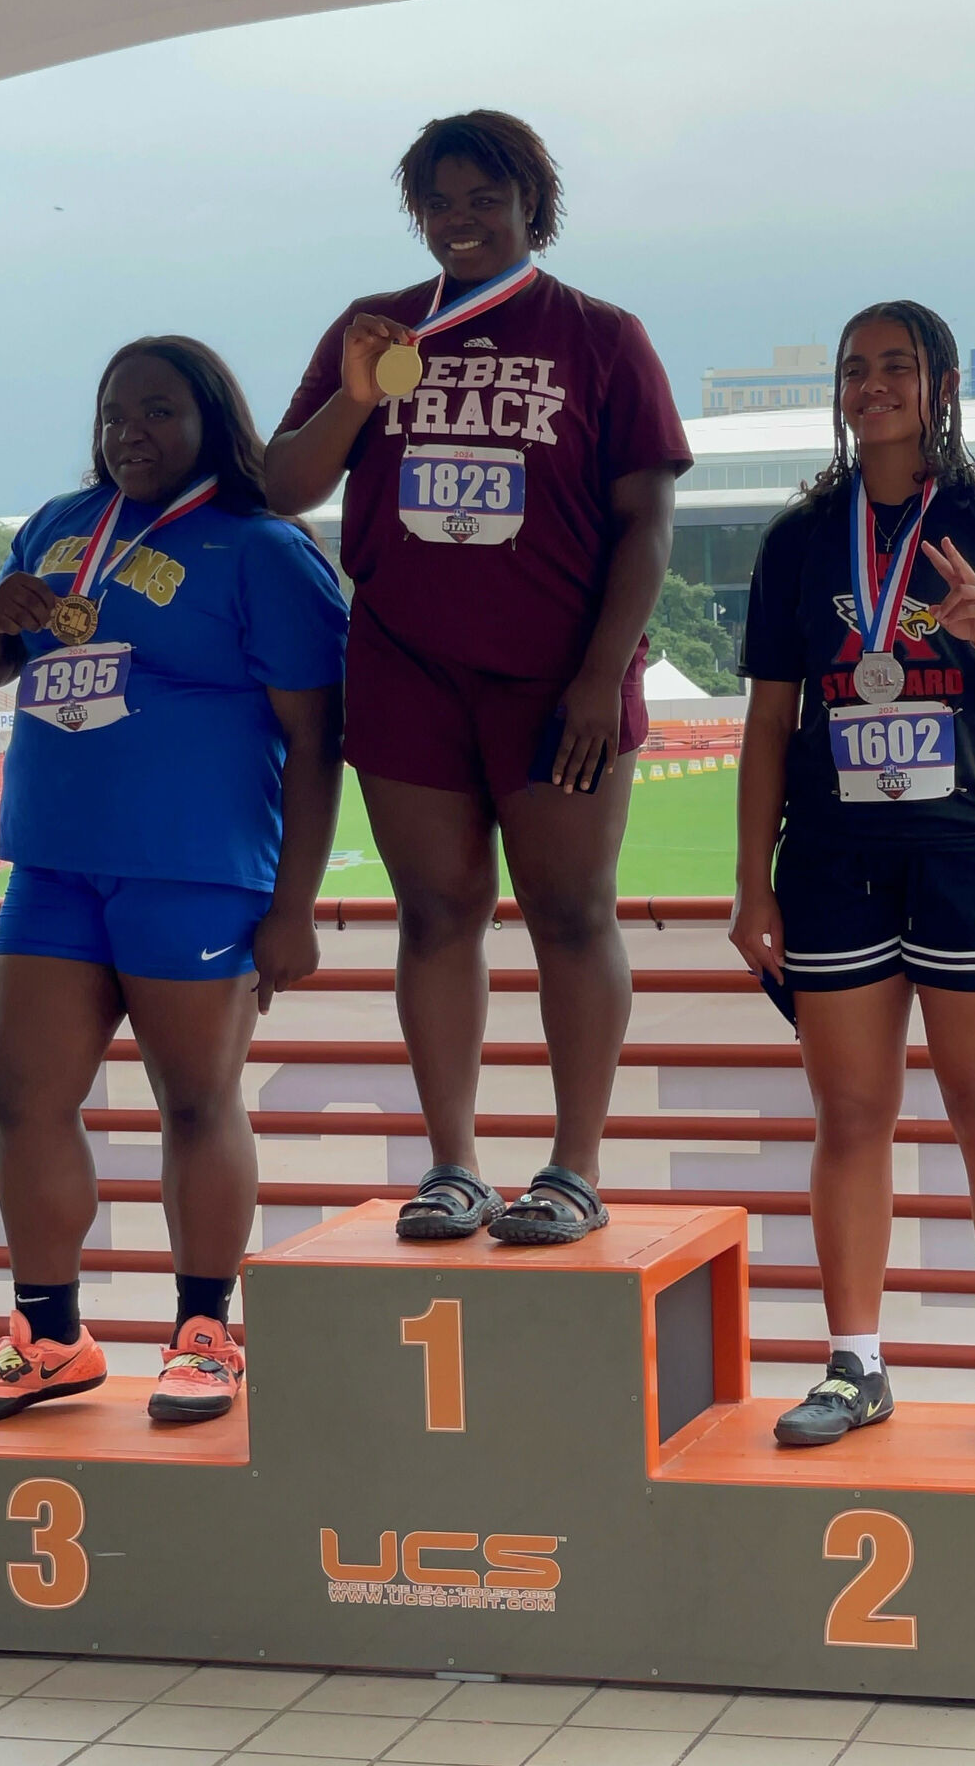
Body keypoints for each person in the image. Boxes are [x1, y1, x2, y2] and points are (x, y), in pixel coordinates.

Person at [266, 110, 690, 1244]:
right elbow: (281, 483)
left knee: (567, 909)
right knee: (437, 912)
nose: (461, 220)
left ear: (529, 207)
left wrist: (603, 672)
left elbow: (647, 518)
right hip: (406, 667)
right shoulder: (374, 328)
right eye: (438, 201)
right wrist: (356, 393)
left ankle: (574, 1166)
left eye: (483, 198)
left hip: (558, 679)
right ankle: (452, 1165)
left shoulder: (602, 335)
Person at [0, 338, 348, 1427]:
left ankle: (205, 1330)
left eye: (159, 411)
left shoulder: (264, 550)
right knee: (22, 1091)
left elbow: (316, 739)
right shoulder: (62, 526)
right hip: (56, 862)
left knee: (196, 1099)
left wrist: (293, 905)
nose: (131, 434)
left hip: (196, 870)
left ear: (213, 421)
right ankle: (48, 1334)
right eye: (116, 413)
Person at [731, 300, 975, 1451]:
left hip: (971, 848)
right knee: (852, 1115)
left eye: (895, 365)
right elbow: (770, 721)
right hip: (831, 861)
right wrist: (750, 883)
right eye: (854, 368)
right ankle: (855, 1363)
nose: (871, 384)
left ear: (942, 382)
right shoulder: (798, 540)